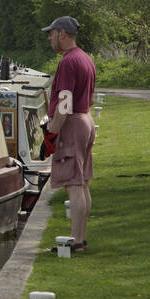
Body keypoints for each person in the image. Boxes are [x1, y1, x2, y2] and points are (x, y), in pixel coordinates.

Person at [41, 16, 96, 253]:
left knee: (74, 184)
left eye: (51, 33)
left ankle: (75, 241)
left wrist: (51, 135)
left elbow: (64, 103)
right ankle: (81, 239)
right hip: (86, 119)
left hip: (72, 124)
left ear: (62, 34)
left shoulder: (67, 62)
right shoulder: (85, 58)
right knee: (82, 183)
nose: (49, 37)